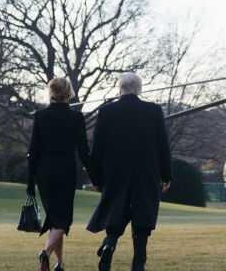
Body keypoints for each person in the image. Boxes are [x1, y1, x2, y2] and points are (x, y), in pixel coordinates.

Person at [86, 72, 172, 271]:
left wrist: (95, 177)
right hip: (146, 172)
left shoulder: (107, 111)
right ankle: (138, 263)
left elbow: (97, 148)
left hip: (115, 173)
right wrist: (166, 175)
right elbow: (162, 145)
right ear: (139, 88)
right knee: (143, 217)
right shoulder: (153, 110)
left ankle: (109, 243)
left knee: (116, 210)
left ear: (120, 88)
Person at [27, 77, 91, 271]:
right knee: (63, 220)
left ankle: (60, 264)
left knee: (55, 219)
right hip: (65, 173)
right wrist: (94, 175)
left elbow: (33, 151)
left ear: (51, 92)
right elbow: (83, 151)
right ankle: (45, 252)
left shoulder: (40, 116)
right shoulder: (76, 117)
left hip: (44, 174)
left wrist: (30, 183)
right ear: (69, 93)